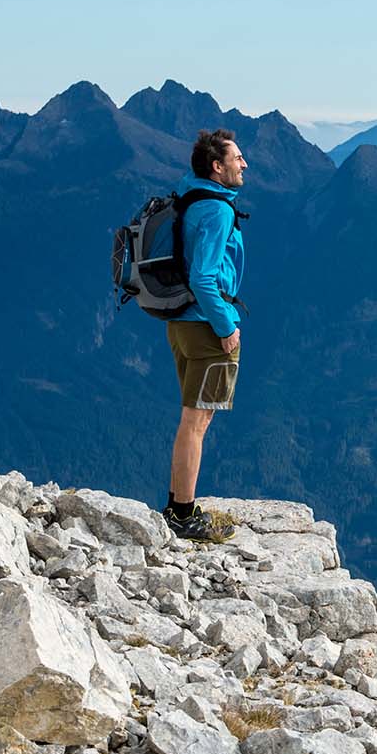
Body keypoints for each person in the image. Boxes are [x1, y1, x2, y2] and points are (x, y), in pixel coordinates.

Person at [163, 129, 247, 542]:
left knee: (191, 419)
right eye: (237, 159)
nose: (243, 164)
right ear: (218, 166)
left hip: (179, 322)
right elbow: (203, 276)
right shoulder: (215, 211)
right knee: (197, 421)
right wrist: (226, 326)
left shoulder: (189, 199)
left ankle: (177, 504)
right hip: (203, 325)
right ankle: (183, 513)